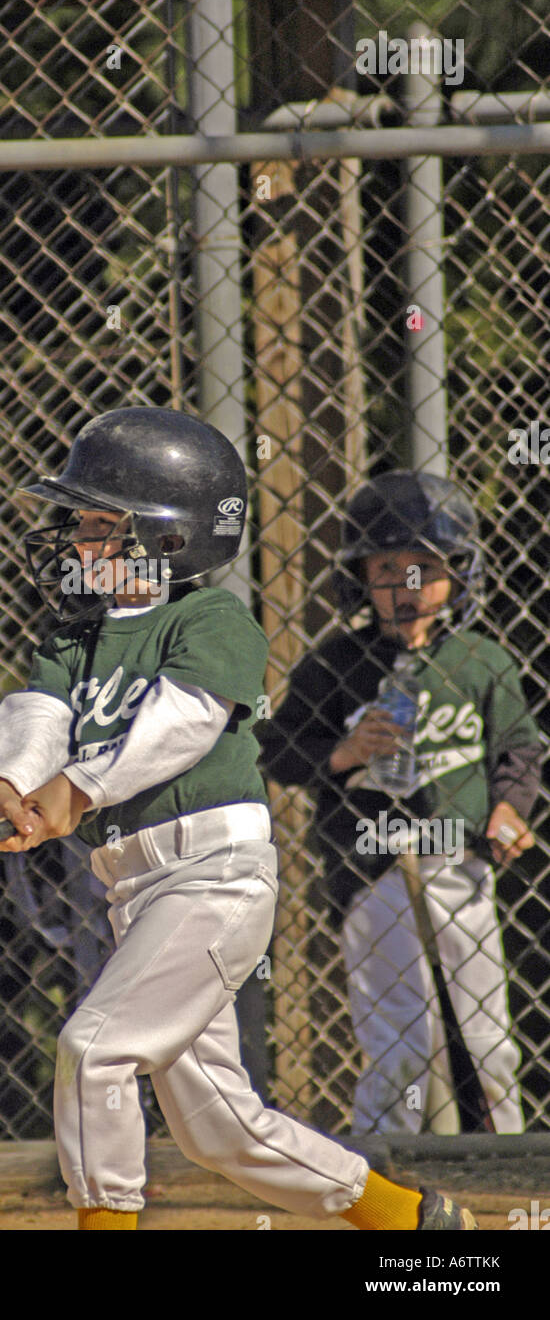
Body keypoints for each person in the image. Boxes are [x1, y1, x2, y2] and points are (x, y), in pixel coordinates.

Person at [0, 410, 478, 1228]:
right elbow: (35, 715)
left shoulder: (211, 620)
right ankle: (408, 1219)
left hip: (213, 878)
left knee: (93, 1050)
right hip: (136, 891)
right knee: (219, 1129)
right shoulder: (75, 637)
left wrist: (78, 789)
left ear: (169, 537)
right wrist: (5, 782)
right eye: (80, 520)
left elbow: (183, 723)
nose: (75, 537)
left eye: (101, 521)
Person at [260, 470, 541, 1135]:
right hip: (373, 869)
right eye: (389, 567)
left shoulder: (481, 660)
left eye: (427, 568)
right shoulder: (334, 664)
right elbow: (276, 748)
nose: (409, 587)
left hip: (460, 862)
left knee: (488, 1040)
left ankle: (508, 1175)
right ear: (360, 576)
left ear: (460, 574)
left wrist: (508, 809)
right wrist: (345, 755)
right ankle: (384, 1177)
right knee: (402, 1046)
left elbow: (518, 751)